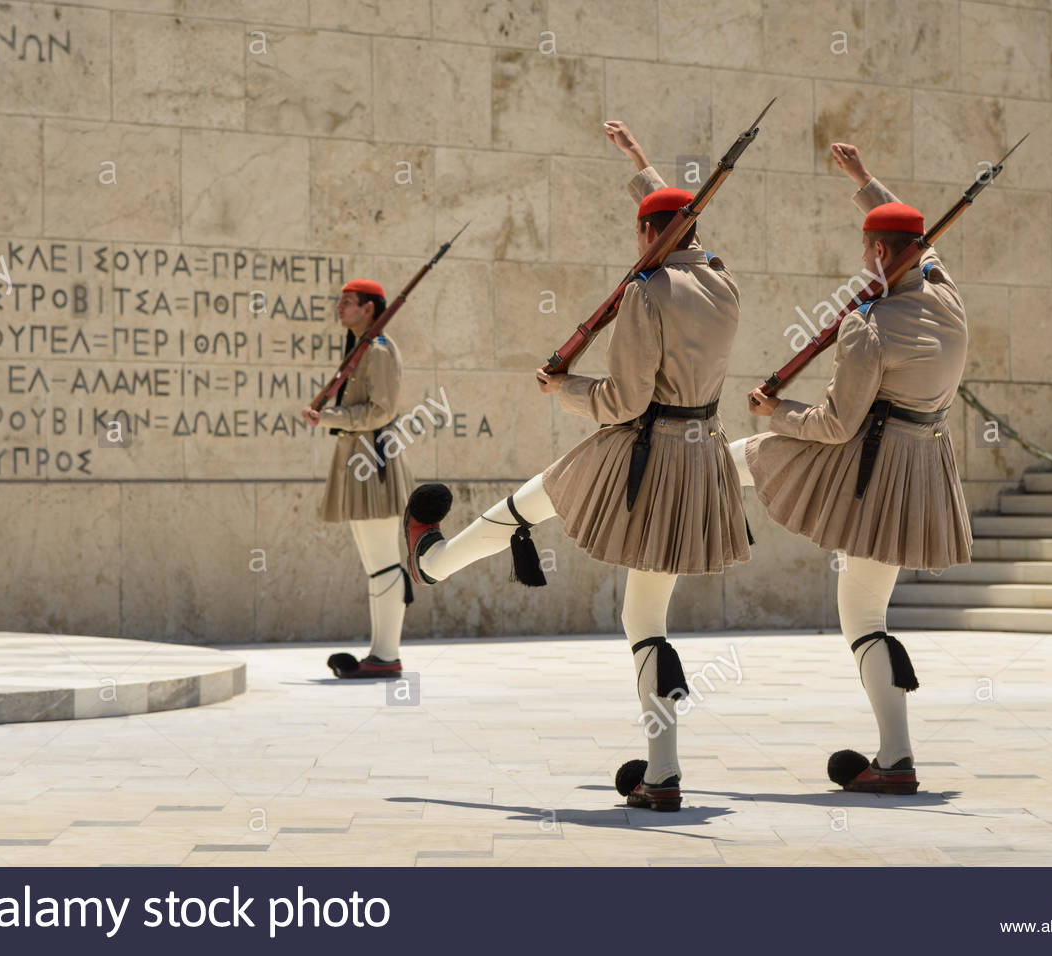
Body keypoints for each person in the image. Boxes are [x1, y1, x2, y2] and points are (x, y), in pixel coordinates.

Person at [402, 121, 751, 812]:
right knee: (645, 620)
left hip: (638, 452)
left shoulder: (645, 293)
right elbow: (687, 230)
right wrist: (642, 164)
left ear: (649, 237)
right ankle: (663, 771)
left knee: (529, 503)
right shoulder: (723, 283)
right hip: (698, 456)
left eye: (639, 232)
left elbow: (621, 399)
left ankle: (433, 562)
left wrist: (562, 388)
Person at [733, 143, 972, 794]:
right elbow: (924, 245)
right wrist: (866, 181)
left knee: (730, 465)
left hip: (870, 469)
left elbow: (836, 424)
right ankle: (895, 758)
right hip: (924, 465)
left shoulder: (868, 326)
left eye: (867, 248)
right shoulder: (948, 299)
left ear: (874, 254)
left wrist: (776, 410)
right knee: (868, 618)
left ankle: (897, 761)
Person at [301, 279, 415, 679]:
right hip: (357, 457)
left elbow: (381, 411)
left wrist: (328, 417)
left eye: (347, 302)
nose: (339, 308)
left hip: (373, 457)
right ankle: (380, 652)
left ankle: (387, 655)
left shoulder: (379, 350)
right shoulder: (361, 347)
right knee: (374, 563)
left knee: (384, 560)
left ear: (370, 308)